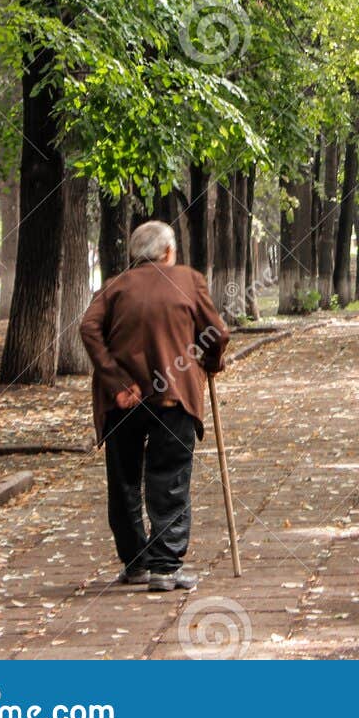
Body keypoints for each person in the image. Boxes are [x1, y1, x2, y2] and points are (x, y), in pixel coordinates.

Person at [80, 219, 230, 592]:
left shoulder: (114, 287)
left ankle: (136, 565)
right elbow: (218, 332)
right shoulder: (188, 280)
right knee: (170, 479)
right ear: (167, 251)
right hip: (173, 395)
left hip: (122, 400)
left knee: (124, 481)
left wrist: (116, 380)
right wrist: (211, 361)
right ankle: (164, 566)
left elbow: (88, 328)